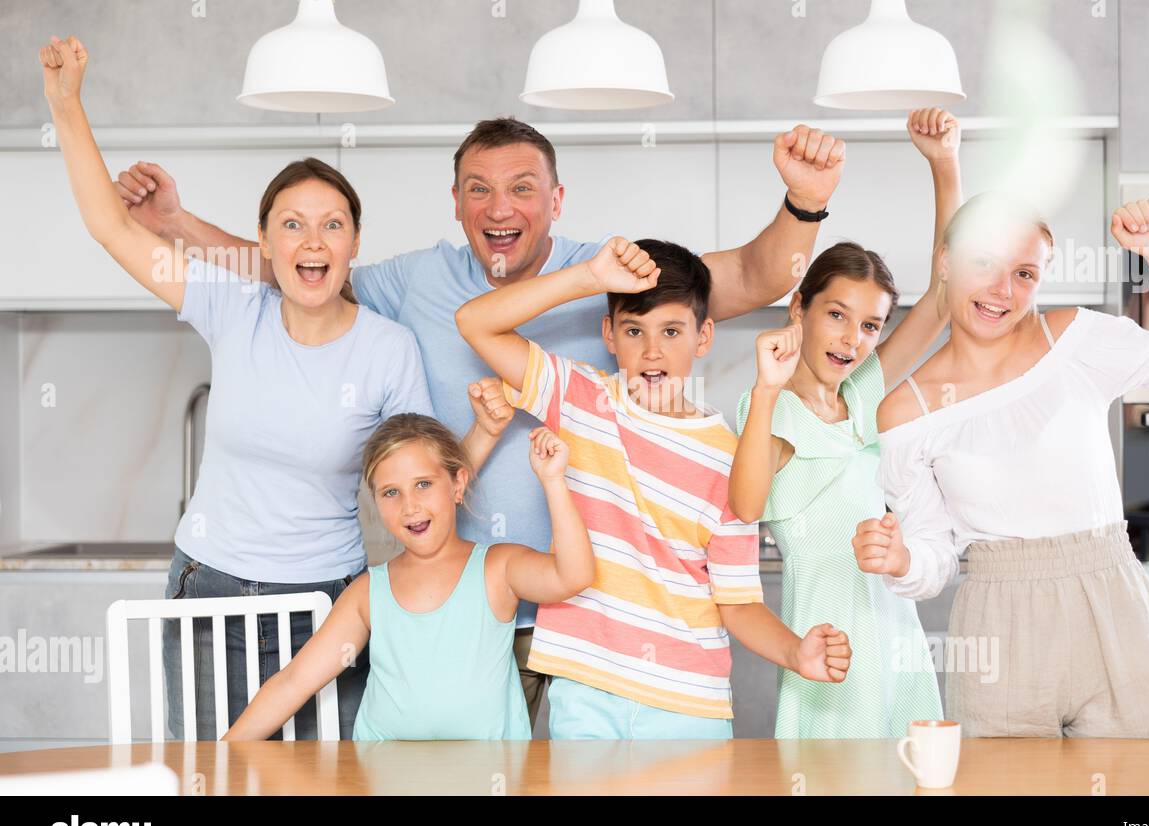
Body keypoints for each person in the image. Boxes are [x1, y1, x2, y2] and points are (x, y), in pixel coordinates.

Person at [113, 116, 850, 730]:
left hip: (578, 619)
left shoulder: (613, 273)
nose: (500, 208)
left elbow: (756, 276)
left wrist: (804, 205)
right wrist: (178, 224)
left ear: (557, 200)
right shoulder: (409, 282)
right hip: (461, 610)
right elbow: (297, 267)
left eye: (522, 188)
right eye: (479, 190)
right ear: (457, 203)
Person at [39, 35, 488, 739]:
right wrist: (66, 105)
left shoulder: (387, 348)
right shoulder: (231, 304)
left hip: (330, 604)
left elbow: (423, 476)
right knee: (212, 777)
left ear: (354, 243)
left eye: (332, 225)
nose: (313, 242)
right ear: (266, 241)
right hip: (208, 591)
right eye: (293, 225)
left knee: (331, 786)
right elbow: (109, 226)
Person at [855, 193, 1149, 739]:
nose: (1001, 290)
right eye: (983, 263)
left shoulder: (1079, 340)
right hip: (998, 628)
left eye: (1024, 272)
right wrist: (901, 560)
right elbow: (934, 557)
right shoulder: (905, 413)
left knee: (1148, 790)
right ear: (944, 261)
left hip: (1111, 602)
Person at [455, 236, 852, 739]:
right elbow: (475, 322)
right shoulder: (580, 397)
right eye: (634, 330)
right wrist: (588, 277)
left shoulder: (732, 458)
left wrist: (796, 651)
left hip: (689, 704)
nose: (651, 351)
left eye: (671, 330)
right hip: (586, 689)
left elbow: (739, 603)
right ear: (609, 334)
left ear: (703, 336)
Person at [733, 109, 962, 737]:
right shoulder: (769, 408)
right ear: (798, 307)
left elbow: (945, 297)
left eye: (870, 325)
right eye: (837, 315)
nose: (853, 339)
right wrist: (764, 389)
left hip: (898, 640)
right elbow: (746, 505)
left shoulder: (863, 395)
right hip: (831, 651)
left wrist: (944, 164)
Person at [224, 414, 594, 740]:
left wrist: (553, 481)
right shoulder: (368, 591)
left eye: (423, 484)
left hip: (489, 776)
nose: (409, 506)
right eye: (391, 492)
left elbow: (573, 575)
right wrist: (224, 755)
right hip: (385, 775)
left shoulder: (499, 567)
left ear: (458, 485)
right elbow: (294, 682)